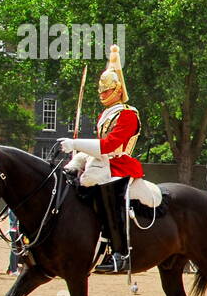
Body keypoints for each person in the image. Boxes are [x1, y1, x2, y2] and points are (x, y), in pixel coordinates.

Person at [60, 44, 154, 274]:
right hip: (103, 161)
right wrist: (78, 154)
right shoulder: (105, 114)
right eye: (100, 91)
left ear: (118, 90)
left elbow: (110, 145)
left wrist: (76, 143)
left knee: (109, 195)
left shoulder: (128, 114)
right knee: (71, 176)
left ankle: (121, 253)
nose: (102, 95)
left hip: (120, 164)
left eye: (106, 91)